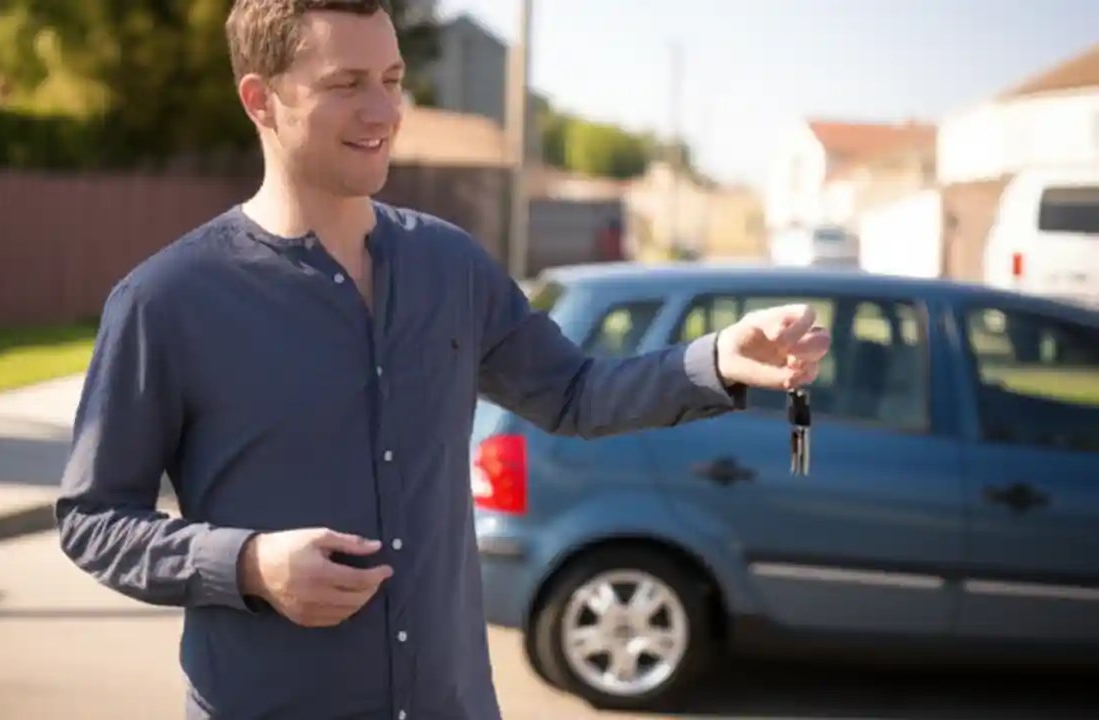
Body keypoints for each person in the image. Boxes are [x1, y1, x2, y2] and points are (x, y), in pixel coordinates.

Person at [54, 1, 831, 718]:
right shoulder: (168, 300)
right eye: (347, 84)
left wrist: (720, 358)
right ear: (261, 100)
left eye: (392, 80)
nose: (384, 111)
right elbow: (94, 521)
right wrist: (249, 563)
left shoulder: (450, 265)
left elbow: (575, 393)